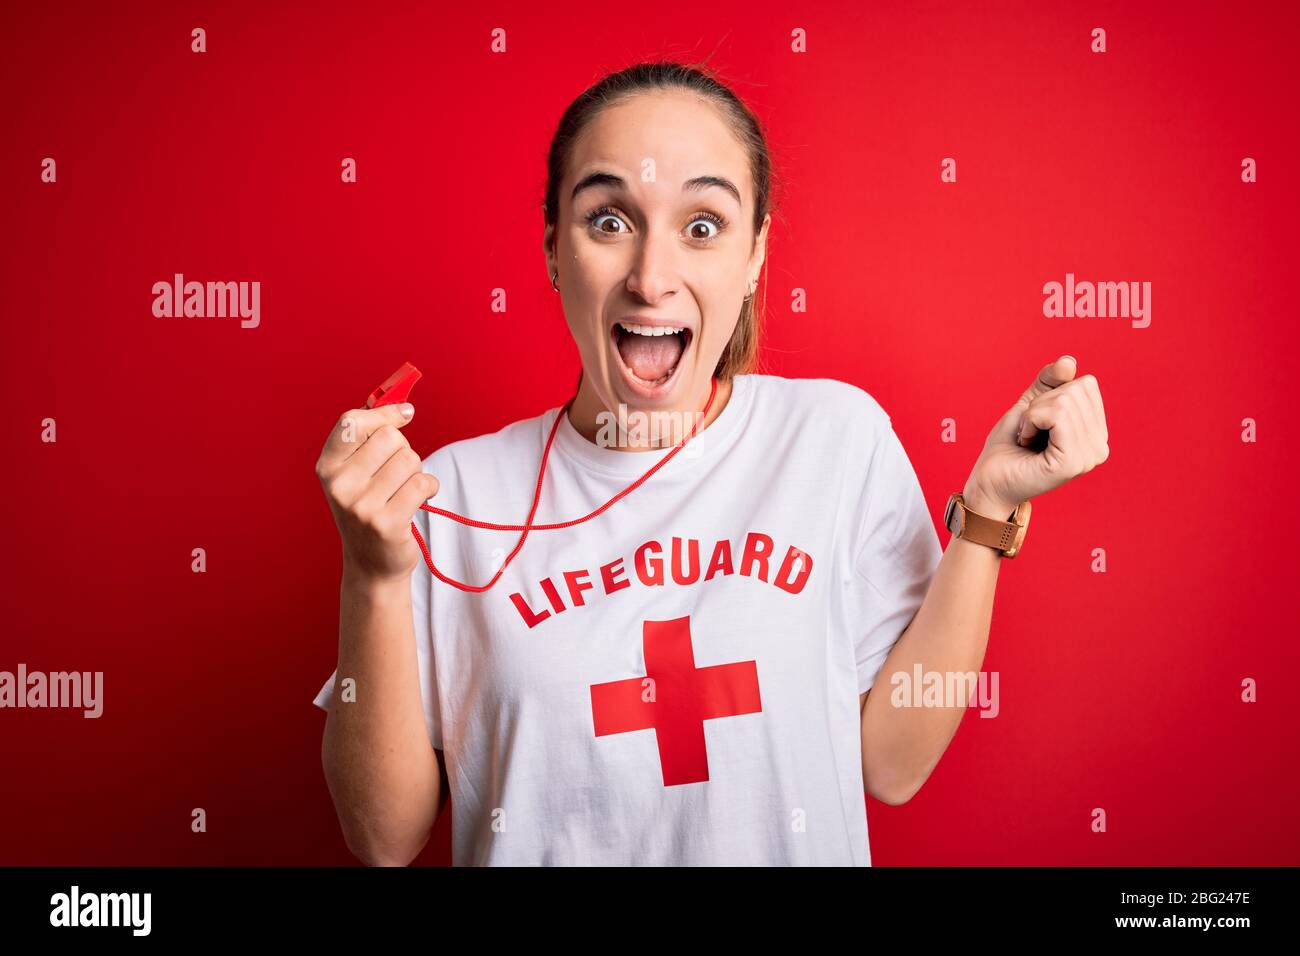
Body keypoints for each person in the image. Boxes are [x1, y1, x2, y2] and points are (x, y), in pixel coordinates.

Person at [310, 61, 1109, 866]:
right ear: (555, 248)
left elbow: (893, 764)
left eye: (702, 226)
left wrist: (990, 508)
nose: (652, 278)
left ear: (756, 254)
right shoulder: (453, 496)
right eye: (609, 220)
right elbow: (382, 839)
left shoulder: (834, 440)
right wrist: (371, 576)